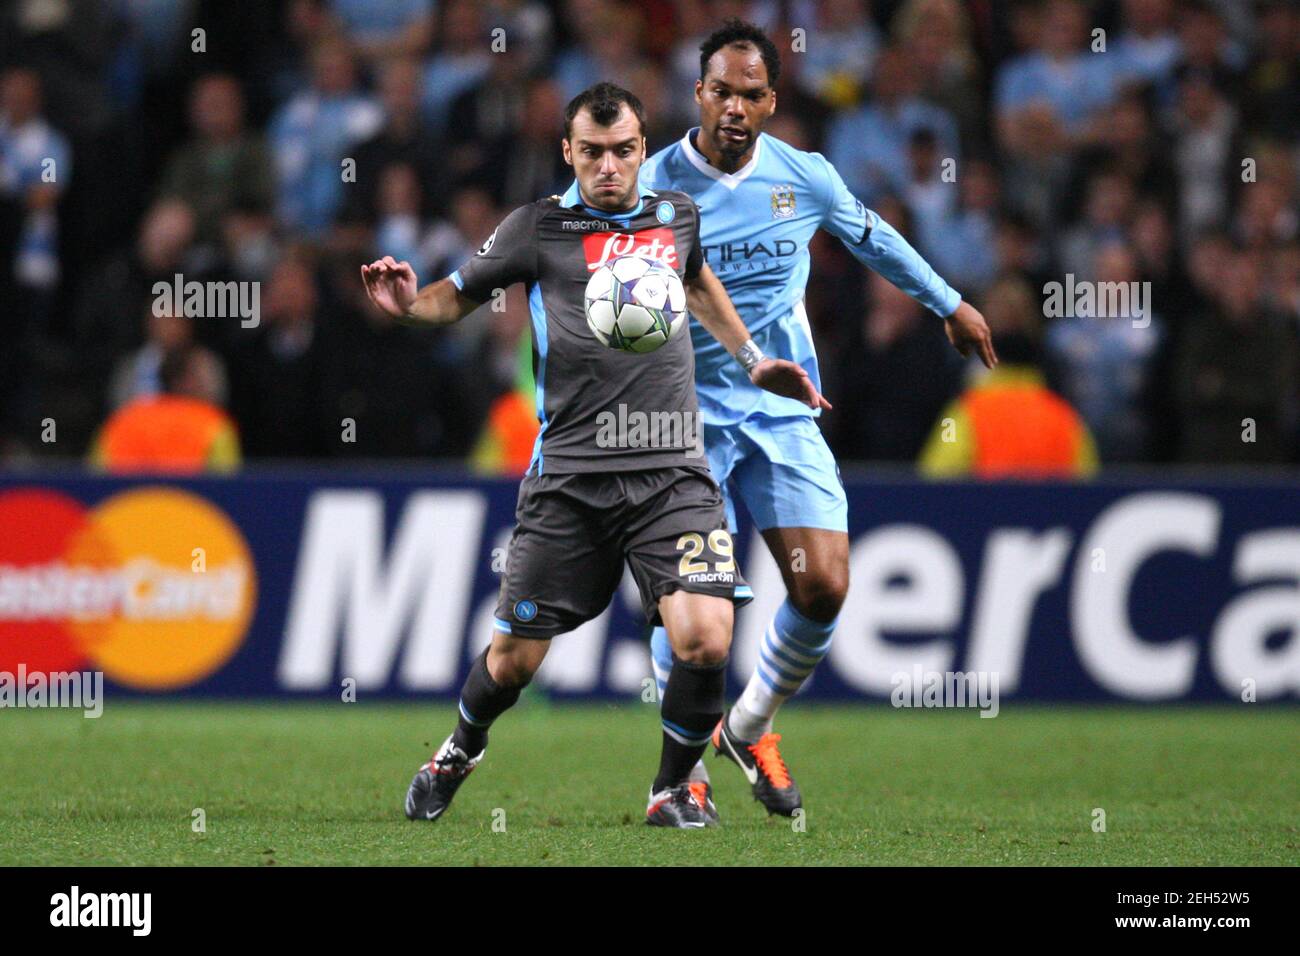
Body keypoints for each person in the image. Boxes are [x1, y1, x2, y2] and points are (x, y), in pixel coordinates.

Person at [361, 82, 828, 828]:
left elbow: (698, 278)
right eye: (592, 153)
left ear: (643, 150)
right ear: (568, 152)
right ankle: (460, 747)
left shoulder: (676, 216)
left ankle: (672, 788)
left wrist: (750, 360)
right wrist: (410, 305)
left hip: (674, 471)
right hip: (572, 478)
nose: (608, 166)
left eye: (623, 151)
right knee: (514, 661)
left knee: (706, 636)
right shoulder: (536, 229)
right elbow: (456, 294)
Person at [640, 19, 995, 815]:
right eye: (721, 90)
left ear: (771, 101)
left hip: (782, 410)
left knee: (825, 587)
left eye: (751, 93)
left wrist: (951, 303)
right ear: (698, 94)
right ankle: (682, 773)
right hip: (682, 417)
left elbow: (875, 238)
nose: (734, 106)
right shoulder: (649, 182)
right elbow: (553, 235)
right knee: (697, 605)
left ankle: (751, 723)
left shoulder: (805, 177)